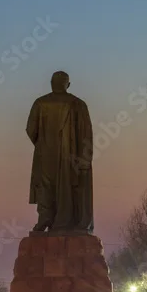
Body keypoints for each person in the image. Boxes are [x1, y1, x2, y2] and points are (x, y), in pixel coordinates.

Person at [26, 71, 94, 233]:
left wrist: (43, 144)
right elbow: (86, 135)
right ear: (68, 85)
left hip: (45, 154)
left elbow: (30, 129)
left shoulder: (40, 103)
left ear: (51, 83)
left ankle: (45, 219)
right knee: (67, 188)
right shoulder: (78, 104)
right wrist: (84, 160)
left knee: (46, 187)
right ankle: (64, 221)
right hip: (70, 157)